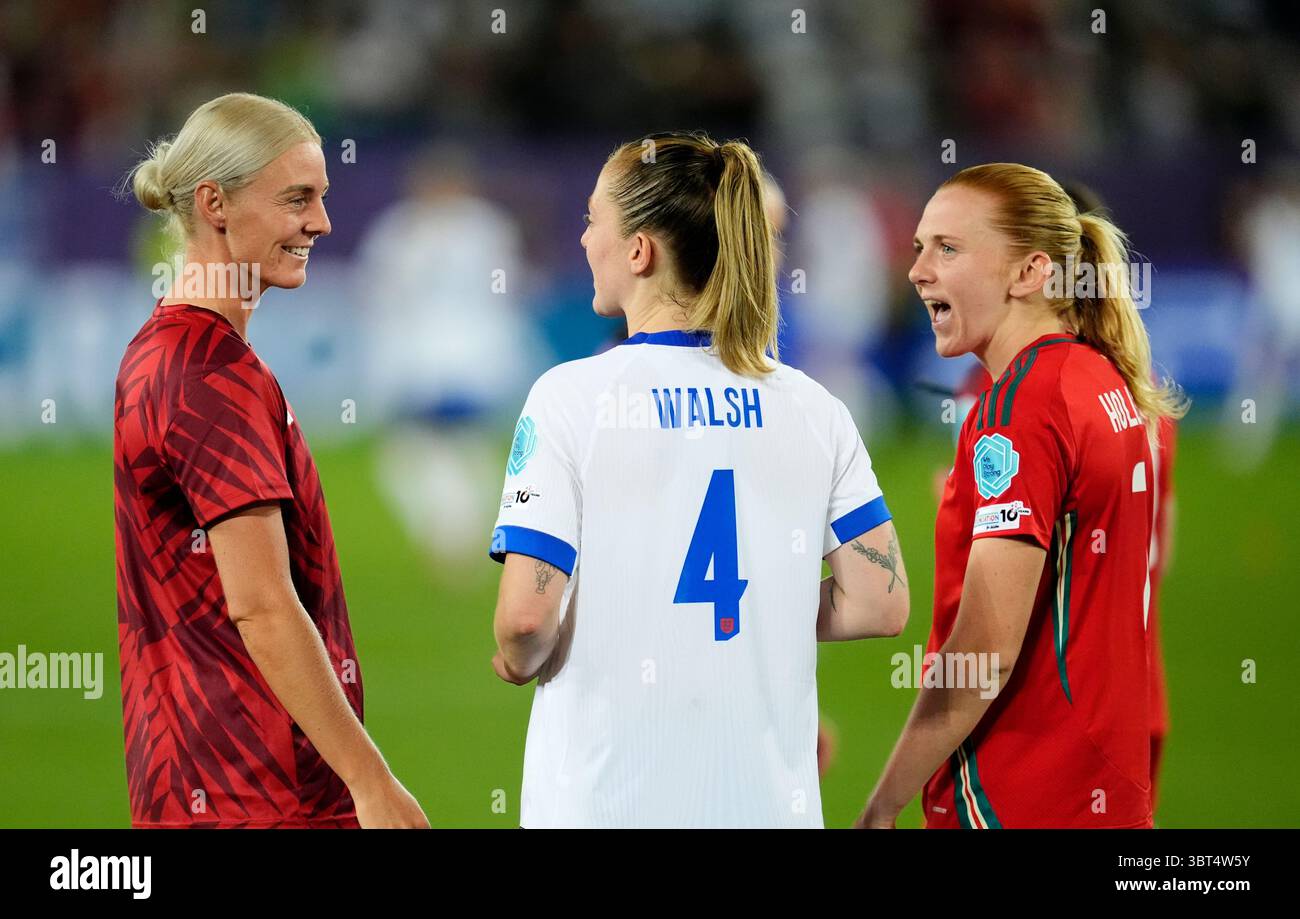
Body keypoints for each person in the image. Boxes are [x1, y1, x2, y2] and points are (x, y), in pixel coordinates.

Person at [488, 131, 910, 828]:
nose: (585, 238)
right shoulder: (814, 406)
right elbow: (882, 600)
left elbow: (526, 619)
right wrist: (758, 608)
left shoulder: (570, 397)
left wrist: (515, 655)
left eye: (595, 219)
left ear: (639, 250)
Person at [114, 92, 427, 828]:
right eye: (297, 199)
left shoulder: (163, 351)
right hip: (260, 793)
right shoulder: (209, 375)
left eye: (320, 197)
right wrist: (371, 780)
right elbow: (260, 603)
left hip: (193, 781)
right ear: (215, 203)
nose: (320, 222)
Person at [861, 163, 1186, 829]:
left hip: (1020, 792)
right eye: (920, 247)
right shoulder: (1104, 379)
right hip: (1104, 792)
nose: (918, 269)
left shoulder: (1018, 407)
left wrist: (883, 802)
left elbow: (986, 650)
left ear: (1029, 272)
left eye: (948, 248)